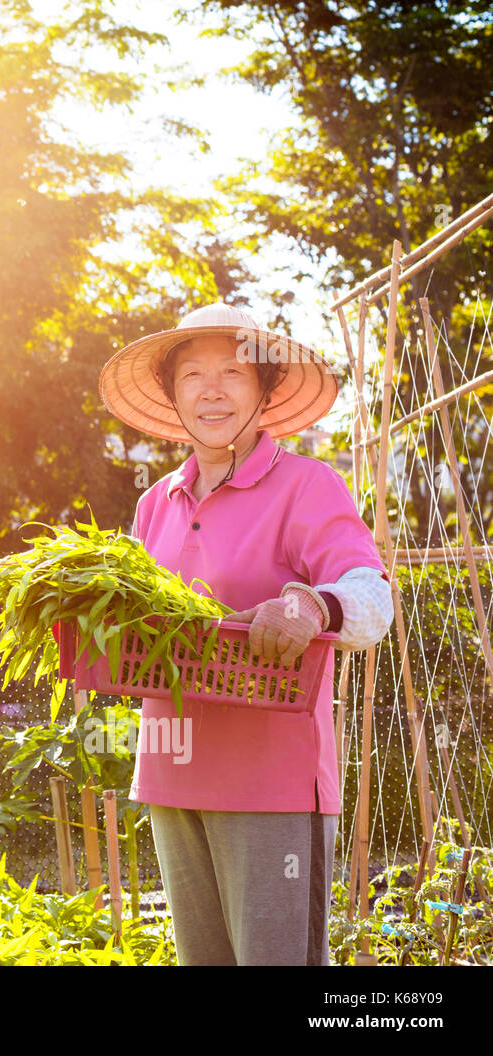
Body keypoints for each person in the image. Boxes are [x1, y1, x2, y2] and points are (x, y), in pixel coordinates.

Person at [97, 301, 394, 965]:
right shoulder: (156, 504)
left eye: (232, 372)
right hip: (172, 771)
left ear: (265, 389)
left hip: (273, 782)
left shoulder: (306, 486)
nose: (211, 389)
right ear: (173, 396)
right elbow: (134, 624)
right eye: (193, 374)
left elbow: (373, 597)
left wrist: (312, 607)